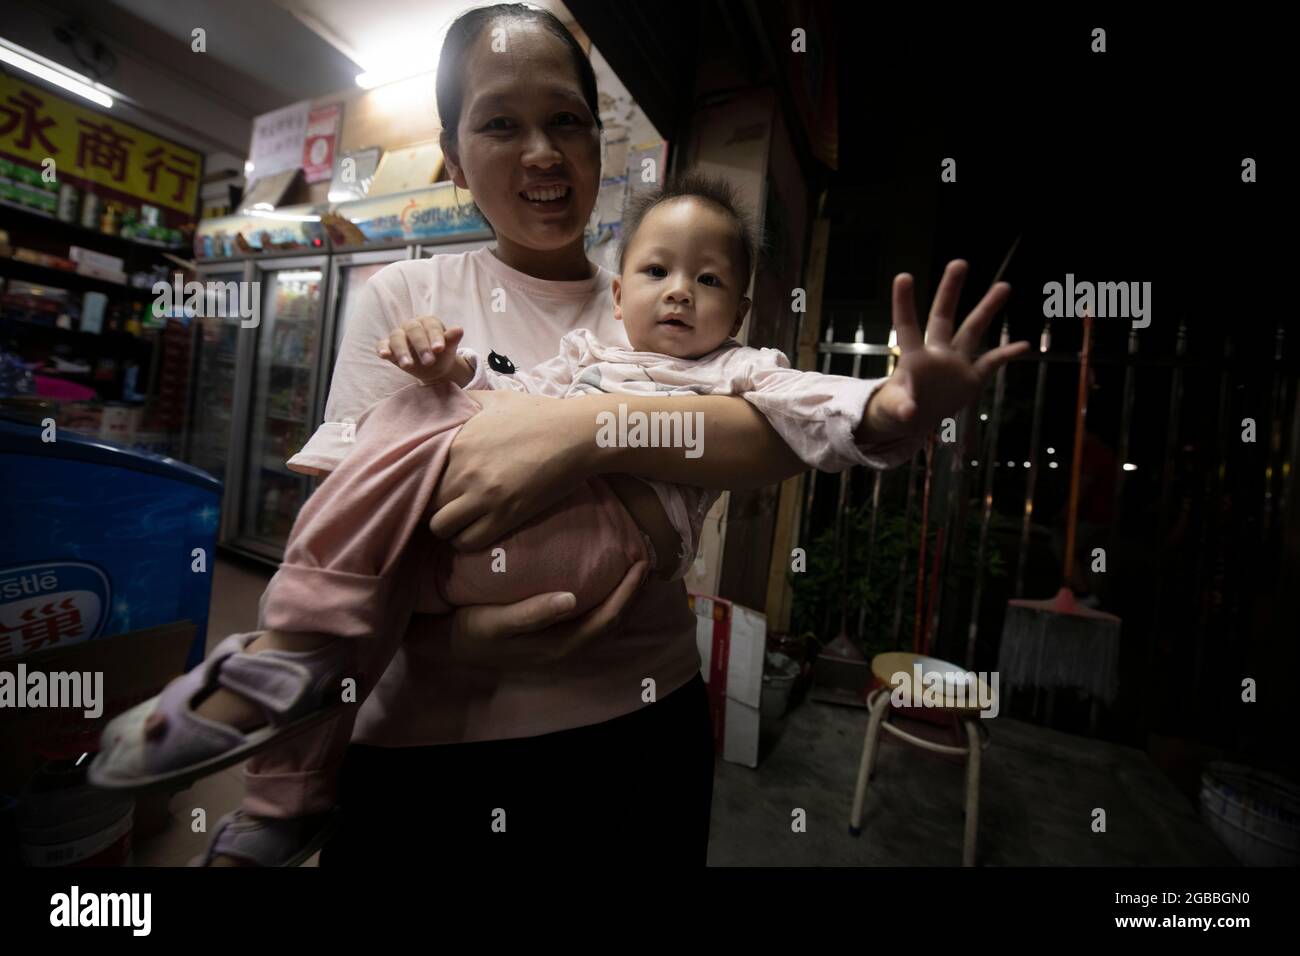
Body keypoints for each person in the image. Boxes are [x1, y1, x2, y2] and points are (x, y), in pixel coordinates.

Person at [92, 5, 1026, 866]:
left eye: (568, 120)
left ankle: (294, 686)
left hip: (635, 725)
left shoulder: (649, 306)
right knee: (407, 425)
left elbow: (771, 437)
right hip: (424, 734)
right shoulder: (408, 299)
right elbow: (350, 517)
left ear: (598, 141)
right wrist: (458, 636)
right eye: (501, 124)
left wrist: (581, 433)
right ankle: (291, 687)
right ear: (454, 159)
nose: (543, 150)